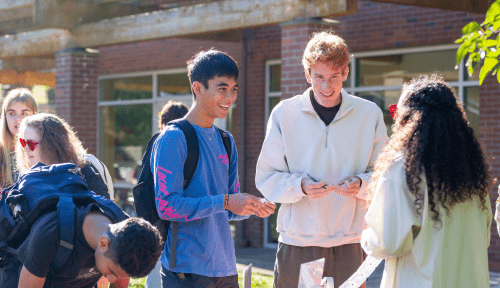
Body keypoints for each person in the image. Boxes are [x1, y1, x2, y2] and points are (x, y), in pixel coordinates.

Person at [255, 31, 388, 288]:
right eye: (319, 77)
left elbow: (384, 175)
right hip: (300, 243)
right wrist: (300, 186)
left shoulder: (368, 114)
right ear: (308, 75)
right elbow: (266, 177)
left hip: (351, 243)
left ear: (345, 73)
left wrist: (362, 184)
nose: (326, 87)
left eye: (334, 77)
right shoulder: (284, 113)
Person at [152, 50, 276, 288]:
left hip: (226, 267)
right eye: (222, 88)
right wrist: (226, 202)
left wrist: (250, 206)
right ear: (197, 88)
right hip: (186, 269)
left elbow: (227, 209)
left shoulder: (226, 140)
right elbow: (167, 206)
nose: (230, 97)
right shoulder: (173, 138)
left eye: (234, 89)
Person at [360, 75, 492, 288]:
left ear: (407, 120)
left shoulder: (402, 170)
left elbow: (388, 243)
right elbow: (483, 237)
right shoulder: (471, 172)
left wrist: (366, 235)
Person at [12, 113, 163, 288]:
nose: (25, 149)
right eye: (22, 142)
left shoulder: (86, 175)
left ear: (52, 144)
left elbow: (110, 247)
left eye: (30, 143)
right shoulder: (51, 230)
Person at [146, 100, 188, 288]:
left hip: (158, 223)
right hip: (182, 222)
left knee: (157, 274)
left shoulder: (158, 142)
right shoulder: (188, 144)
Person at [0, 88, 38, 188]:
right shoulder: (1, 150)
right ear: (5, 116)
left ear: (34, 115)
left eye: (24, 113)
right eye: (12, 113)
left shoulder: (44, 148)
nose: (18, 119)